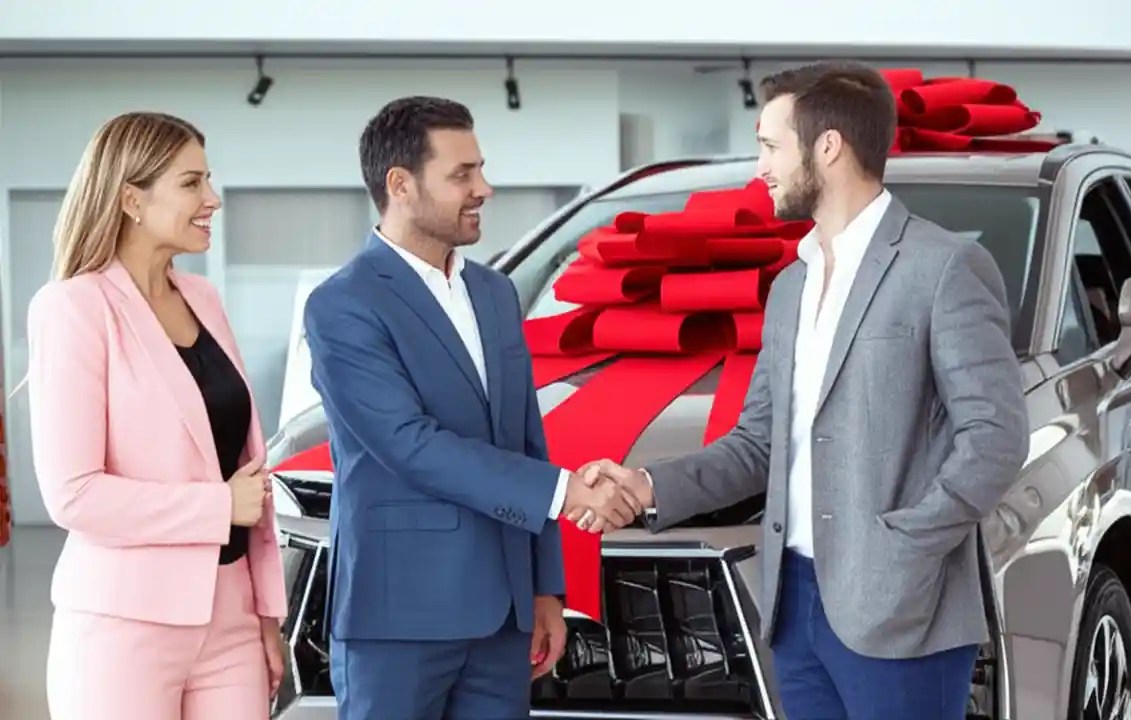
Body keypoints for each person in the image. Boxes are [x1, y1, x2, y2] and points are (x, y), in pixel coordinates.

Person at [576, 61, 1030, 719]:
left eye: (769, 145)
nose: (759, 167)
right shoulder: (791, 285)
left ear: (828, 146)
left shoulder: (943, 268)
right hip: (793, 608)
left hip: (899, 611)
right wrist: (645, 487)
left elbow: (994, 437)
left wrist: (902, 547)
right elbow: (759, 443)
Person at [303, 95, 641, 719]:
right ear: (399, 185)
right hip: (399, 617)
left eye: (480, 169)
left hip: (503, 619)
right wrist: (566, 493)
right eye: (462, 174)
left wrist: (545, 588)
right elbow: (409, 442)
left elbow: (523, 438)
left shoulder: (494, 292)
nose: (484, 188)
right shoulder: (343, 305)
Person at [26, 112, 288, 720]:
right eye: (191, 183)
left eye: (209, 180)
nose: (213, 199)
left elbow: (241, 462)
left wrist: (264, 615)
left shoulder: (204, 298)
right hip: (123, 626)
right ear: (130, 200)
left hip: (232, 619)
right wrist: (217, 507)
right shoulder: (73, 308)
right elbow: (74, 495)